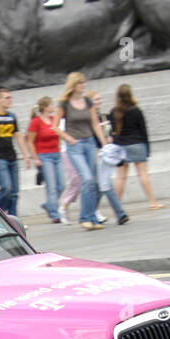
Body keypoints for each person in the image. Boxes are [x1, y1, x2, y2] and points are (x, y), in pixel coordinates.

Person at [57, 72, 126, 229]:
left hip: (89, 143)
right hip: (75, 146)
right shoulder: (64, 104)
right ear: (73, 85)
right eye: (80, 83)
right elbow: (55, 126)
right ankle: (84, 217)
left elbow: (95, 124)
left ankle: (91, 217)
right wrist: (69, 139)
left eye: (84, 83)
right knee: (87, 178)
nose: (83, 85)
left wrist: (104, 144)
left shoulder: (87, 102)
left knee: (93, 181)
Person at [109, 84, 163, 210]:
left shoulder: (113, 112)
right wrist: (147, 149)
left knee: (121, 177)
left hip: (121, 146)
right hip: (137, 144)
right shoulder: (136, 110)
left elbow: (113, 132)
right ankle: (152, 202)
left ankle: (117, 206)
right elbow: (143, 130)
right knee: (143, 174)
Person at [0, 88, 34, 216]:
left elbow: (18, 137)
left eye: (10, 97)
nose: (9, 100)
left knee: (15, 192)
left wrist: (26, 156)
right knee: (6, 188)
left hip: (12, 157)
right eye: (6, 98)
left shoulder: (11, 116)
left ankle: (13, 219)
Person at [28, 96, 65, 222]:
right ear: (45, 107)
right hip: (44, 156)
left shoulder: (54, 120)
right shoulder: (36, 122)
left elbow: (58, 134)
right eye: (51, 104)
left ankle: (49, 204)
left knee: (61, 185)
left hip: (56, 154)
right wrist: (35, 158)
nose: (53, 106)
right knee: (51, 186)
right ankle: (55, 213)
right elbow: (30, 141)